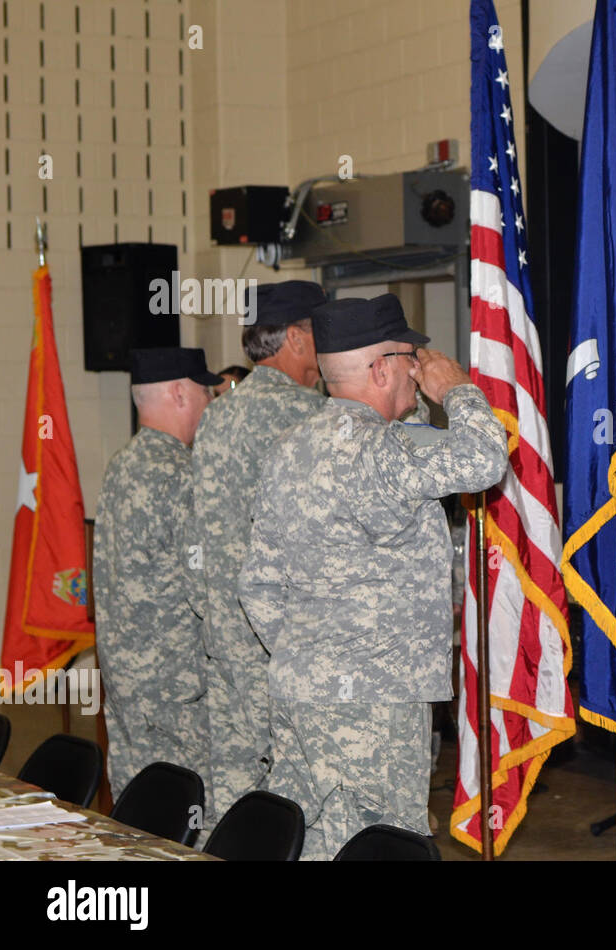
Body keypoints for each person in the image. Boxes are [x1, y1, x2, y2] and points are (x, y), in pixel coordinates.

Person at [238, 294, 507, 859]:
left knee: (307, 841)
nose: (418, 369)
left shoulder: (289, 449)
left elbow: (257, 584)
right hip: (376, 708)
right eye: (412, 358)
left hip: (299, 695)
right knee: (380, 845)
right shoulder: (386, 447)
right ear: (382, 368)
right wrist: (456, 388)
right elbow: (484, 460)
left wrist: (308, 654)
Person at [188, 280, 326, 824]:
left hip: (225, 638)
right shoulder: (309, 416)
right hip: (283, 640)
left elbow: (194, 539)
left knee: (236, 787)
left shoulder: (218, 414)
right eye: (320, 332)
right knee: (299, 795)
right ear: (295, 337)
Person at [94, 347, 220, 798]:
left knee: (139, 818)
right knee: (190, 823)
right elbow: (208, 592)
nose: (211, 400)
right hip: (179, 698)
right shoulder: (182, 476)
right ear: (179, 394)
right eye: (205, 390)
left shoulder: (120, 468)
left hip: (128, 687)